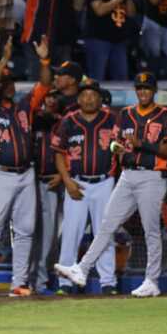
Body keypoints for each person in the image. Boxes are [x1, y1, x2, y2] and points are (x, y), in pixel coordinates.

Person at [56, 72, 167, 298]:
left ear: (154, 91)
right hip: (127, 176)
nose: (143, 92)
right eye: (139, 88)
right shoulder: (126, 114)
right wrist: (117, 149)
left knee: (151, 230)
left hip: (151, 176)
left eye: (147, 88)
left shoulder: (166, 115)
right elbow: (115, 143)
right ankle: (82, 270)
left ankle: (152, 280)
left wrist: (140, 144)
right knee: (106, 225)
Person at [0, 36, 51, 297]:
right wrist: (4, 60)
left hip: (25, 174)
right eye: (4, 81)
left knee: (25, 230)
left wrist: (44, 59)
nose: (9, 85)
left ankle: (19, 283)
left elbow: (44, 83)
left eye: (10, 81)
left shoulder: (23, 106)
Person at [51, 79, 118, 295]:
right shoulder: (68, 121)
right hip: (77, 182)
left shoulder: (112, 119)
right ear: (78, 98)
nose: (88, 98)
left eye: (93, 94)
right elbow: (58, 153)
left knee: (104, 233)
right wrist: (68, 181)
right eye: (84, 95)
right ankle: (65, 283)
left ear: (100, 97)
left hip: (104, 182)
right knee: (70, 233)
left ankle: (108, 282)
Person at [31, 88, 63, 293]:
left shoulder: (64, 122)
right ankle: (25, 280)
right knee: (28, 233)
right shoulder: (34, 120)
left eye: (54, 96)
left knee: (50, 235)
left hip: (53, 184)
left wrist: (62, 175)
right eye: (48, 96)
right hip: (30, 183)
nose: (51, 99)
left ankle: (41, 282)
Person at [83, 0, 136, 81]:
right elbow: (100, 10)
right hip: (98, 39)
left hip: (118, 39)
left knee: (122, 77)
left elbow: (131, 13)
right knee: (97, 76)